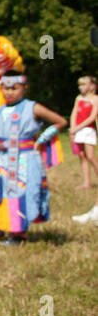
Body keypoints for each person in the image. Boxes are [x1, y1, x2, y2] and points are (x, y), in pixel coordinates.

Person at [0, 75, 68, 244]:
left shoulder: (32, 108)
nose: (9, 92)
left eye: (14, 88)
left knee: (20, 193)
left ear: (25, 88)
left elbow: (60, 122)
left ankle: (18, 233)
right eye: (6, 88)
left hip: (23, 160)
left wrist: (42, 140)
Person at [69, 76, 98, 224]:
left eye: (84, 84)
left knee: (91, 156)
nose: (81, 87)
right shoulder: (78, 98)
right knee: (82, 155)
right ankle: (87, 182)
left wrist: (78, 127)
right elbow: (74, 113)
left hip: (88, 130)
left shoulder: (95, 99)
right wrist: (73, 128)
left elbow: (93, 117)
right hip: (78, 129)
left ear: (92, 86)